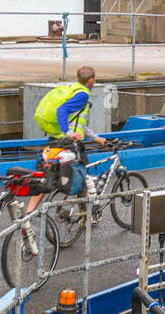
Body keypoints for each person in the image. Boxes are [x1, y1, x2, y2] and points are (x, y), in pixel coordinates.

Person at [23, 66, 104, 249]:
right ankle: (84, 215)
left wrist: (96, 138)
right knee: (81, 174)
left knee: (46, 178)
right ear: (91, 80)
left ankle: (27, 216)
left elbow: (79, 123)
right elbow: (62, 111)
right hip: (69, 144)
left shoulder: (71, 89)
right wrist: (68, 133)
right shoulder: (82, 94)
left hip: (54, 140)